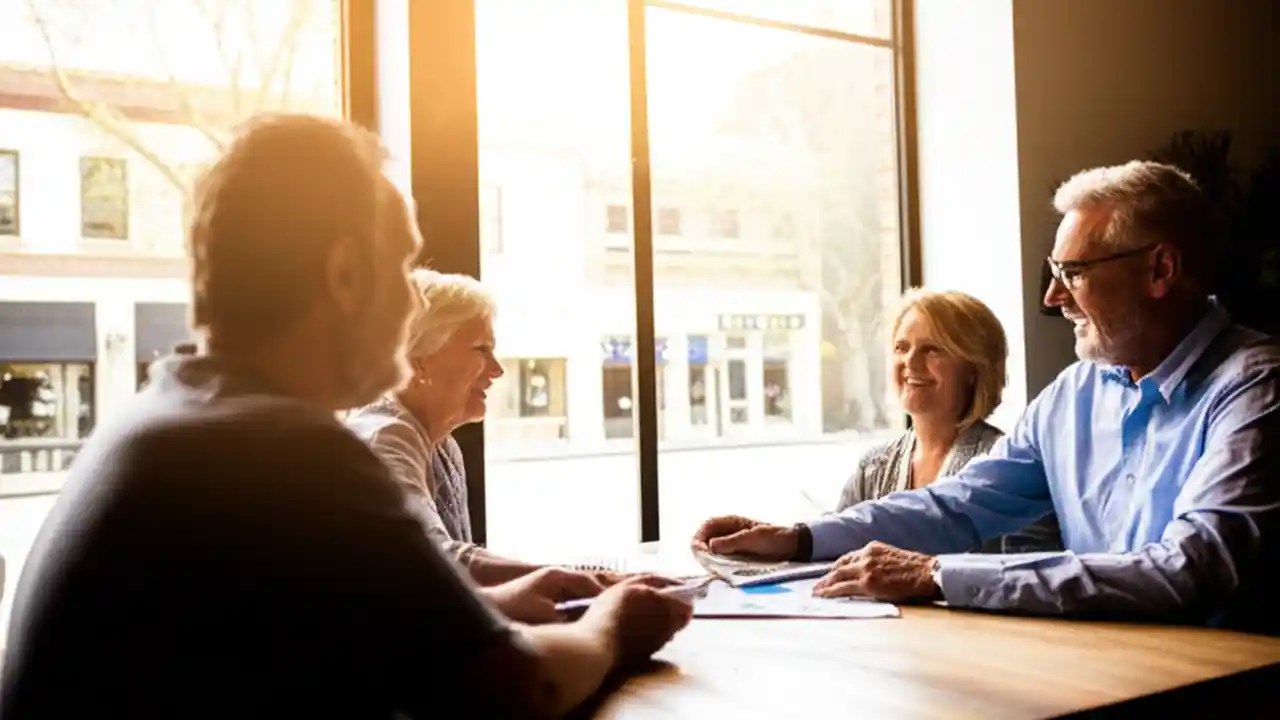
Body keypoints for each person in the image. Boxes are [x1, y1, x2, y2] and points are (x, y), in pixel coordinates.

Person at [0, 114, 692, 718]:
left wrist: (501, 601)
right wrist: (613, 624)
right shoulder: (284, 450)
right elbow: (518, 689)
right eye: (402, 266)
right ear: (346, 275)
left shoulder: (172, 419)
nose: (411, 301)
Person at [693, 161, 1279, 633]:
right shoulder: (1074, 393)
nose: (1053, 297)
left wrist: (937, 575)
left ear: (1161, 270)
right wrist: (798, 538)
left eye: (1072, 272)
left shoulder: (1256, 386)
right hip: (1100, 668)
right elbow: (959, 504)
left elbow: (1189, 571)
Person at [346, 269, 617, 623]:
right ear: (420, 360)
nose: (497, 370)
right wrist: (579, 582)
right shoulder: (387, 435)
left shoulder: (441, 445)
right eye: (482, 349)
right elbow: (436, 560)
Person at [835, 289, 1061, 554]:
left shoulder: (1008, 465)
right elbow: (831, 555)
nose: (910, 361)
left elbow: (1027, 574)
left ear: (973, 370)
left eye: (932, 350)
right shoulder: (873, 467)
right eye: (901, 347)